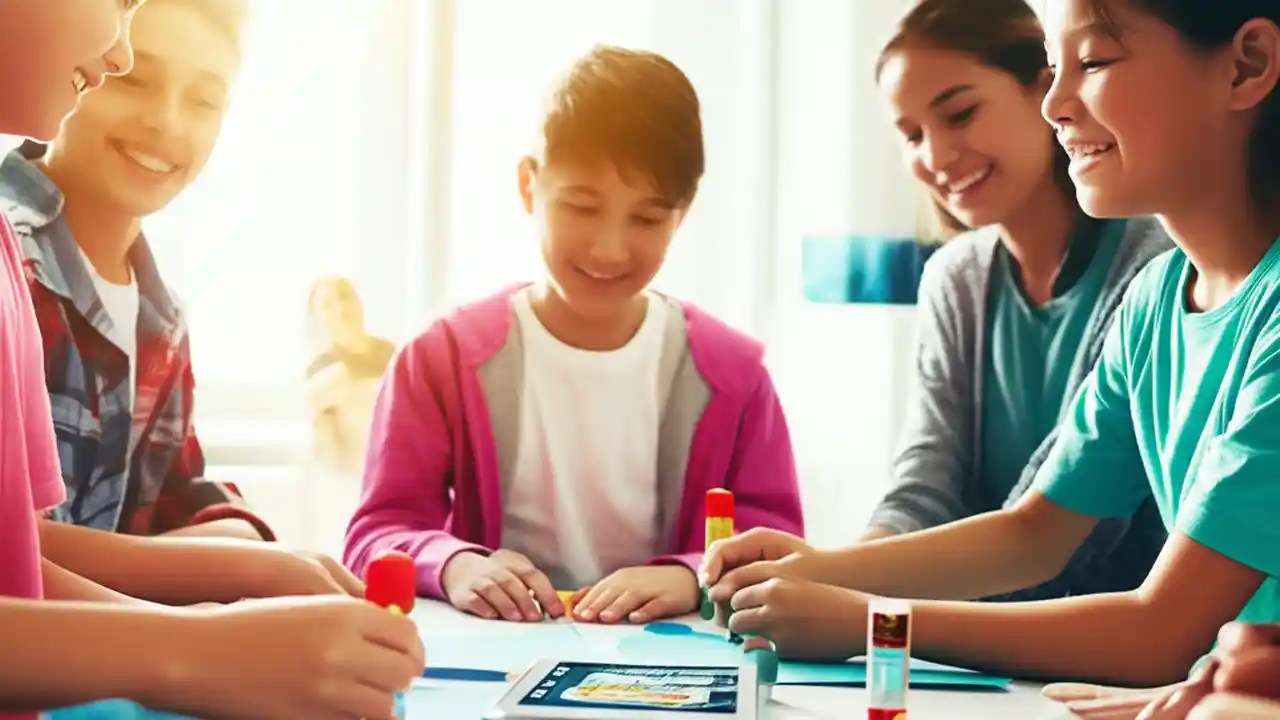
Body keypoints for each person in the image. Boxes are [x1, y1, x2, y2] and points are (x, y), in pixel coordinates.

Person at [702, 0, 1280, 689]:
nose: (1055, 103)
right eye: (1055, 69)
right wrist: (815, 568)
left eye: (1093, 62)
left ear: (1246, 65)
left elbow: (1160, 630)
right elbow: (1034, 532)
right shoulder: (1156, 299)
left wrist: (874, 621)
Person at [0, 1, 421, 718]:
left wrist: (246, 553)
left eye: (204, 99)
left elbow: (166, 501)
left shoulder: (159, 311)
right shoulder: (23, 258)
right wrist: (218, 606)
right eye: (119, 11)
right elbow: (28, 552)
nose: (122, 57)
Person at [345, 45, 805, 626]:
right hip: (495, 657)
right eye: (581, 207)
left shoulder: (733, 377)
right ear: (527, 185)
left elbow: (780, 548)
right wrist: (456, 563)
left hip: (671, 668)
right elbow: (376, 534)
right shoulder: (440, 358)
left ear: (682, 212)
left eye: (645, 219)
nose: (609, 249)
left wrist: (690, 575)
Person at [863, 0, 1169, 599]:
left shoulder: (1152, 261)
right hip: (973, 642)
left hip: (1107, 653)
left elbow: (1065, 533)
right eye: (912, 135)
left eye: (960, 114)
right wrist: (844, 569)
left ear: (1044, 90)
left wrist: (851, 590)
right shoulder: (955, 279)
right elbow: (926, 481)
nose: (935, 157)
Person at [306, 276, 395, 475]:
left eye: (345, 297)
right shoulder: (321, 372)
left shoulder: (393, 354)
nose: (340, 308)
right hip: (357, 476)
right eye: (328, 304)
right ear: (318, 317)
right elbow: (328, 451)